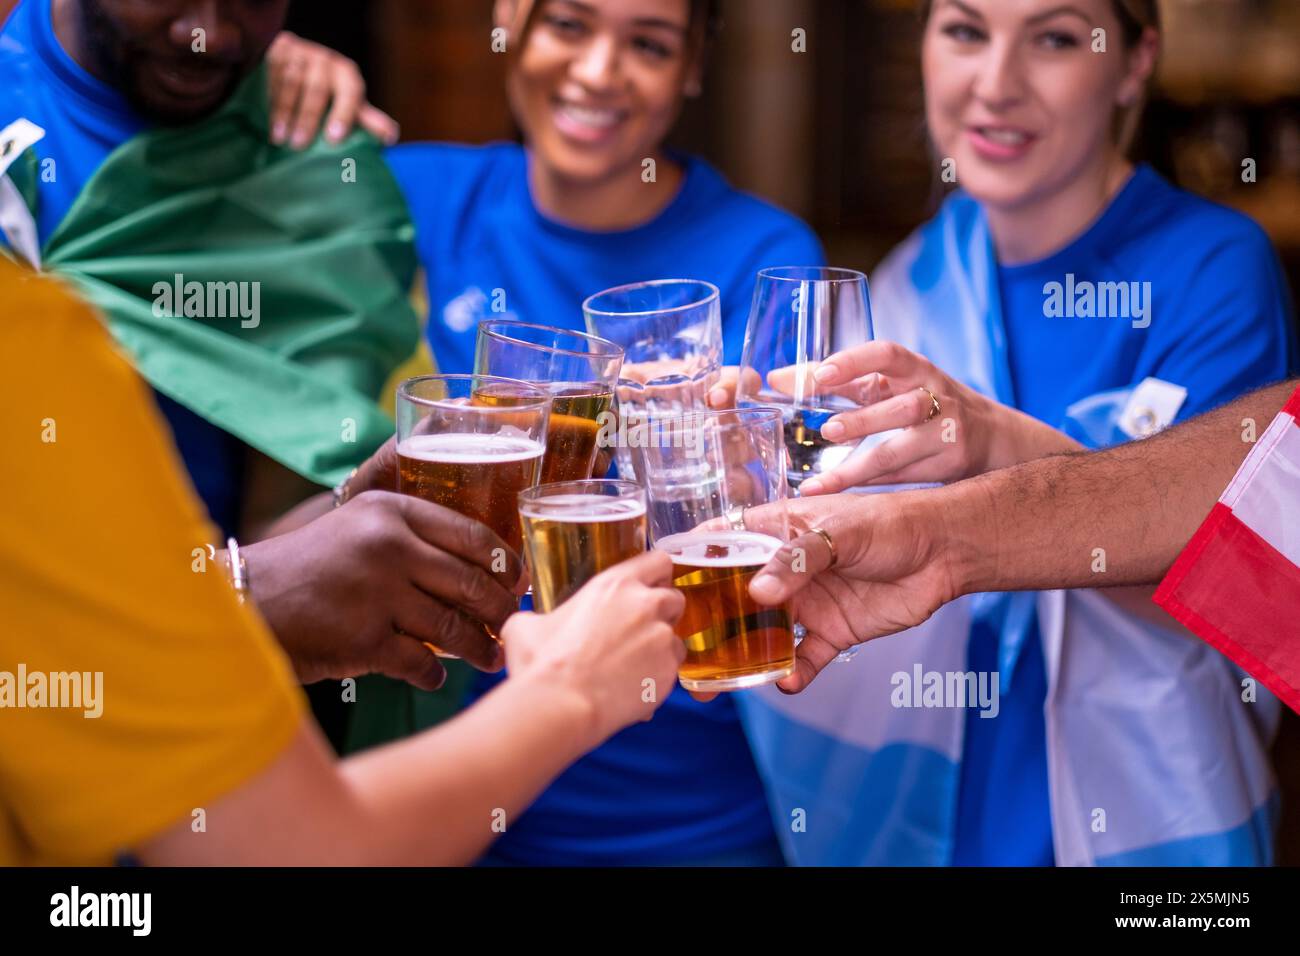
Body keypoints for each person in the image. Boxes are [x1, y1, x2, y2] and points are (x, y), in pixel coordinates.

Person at [714, 0, 1294, 866]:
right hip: (929, 824)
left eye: (1055, 38)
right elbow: (823, 568)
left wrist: (995, 445)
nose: (995, 83)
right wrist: (732, 476)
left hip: (1138, 841)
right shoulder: (903, 284)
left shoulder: (1214, 271)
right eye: (964, 30)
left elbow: (1242, 596)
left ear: (1135, 61)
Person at [271, 0, 825, 866]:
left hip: (691, 819)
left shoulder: (760, 250)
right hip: (447, 800)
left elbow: (797, 503)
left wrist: (734, 459)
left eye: (649, 43)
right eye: (569, 24)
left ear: (693, 69)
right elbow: (202, 218)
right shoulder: (408, 199)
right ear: (510, 21)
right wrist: (269, 73)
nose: (600, 71)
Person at [0, 258, 686, 866]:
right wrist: (573, 689)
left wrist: (260, 579)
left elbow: (51, 640)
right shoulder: (30, 343)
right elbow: (291, 847)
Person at [0, 0, 513, 710]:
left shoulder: (310, 173)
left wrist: (353, 523)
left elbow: (278, 539)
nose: (206, 34)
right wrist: (248, 587)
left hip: (187, 704)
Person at [736, 377, 1300, 709]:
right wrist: (940, 534)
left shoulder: (1214, 272)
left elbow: (1253, 536)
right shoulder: (912, 280)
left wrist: (946, 522)